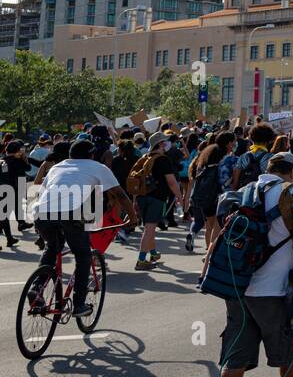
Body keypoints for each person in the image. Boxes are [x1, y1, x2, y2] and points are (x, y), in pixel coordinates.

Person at [217, 152, 293, 377]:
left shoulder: (244, 191)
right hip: (275, 290)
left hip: (237, 286)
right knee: (290, 354)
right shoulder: (292, 192)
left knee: (235, 358)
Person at [31, 139, 136, 316]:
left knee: (52, 248)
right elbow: (120, 195)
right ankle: (79, 304)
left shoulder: (57, 167)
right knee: (83, 255)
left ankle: (36, 288)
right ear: (92, 155)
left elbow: (42, 192)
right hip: (72, 213)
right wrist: (133, 217)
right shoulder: (98, 167)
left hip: (42, 212)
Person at [133, 132, 182, 271]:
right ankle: (141, 260)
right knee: (149, 229)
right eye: (165, 142)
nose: (167, 144)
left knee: (150, 227)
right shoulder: (162, 159)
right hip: (156, 197)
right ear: (161, 144)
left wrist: (135, 200)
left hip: (142, 196)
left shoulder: (145, 157)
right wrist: (179, 196)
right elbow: (171, 181)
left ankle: (153, 254)